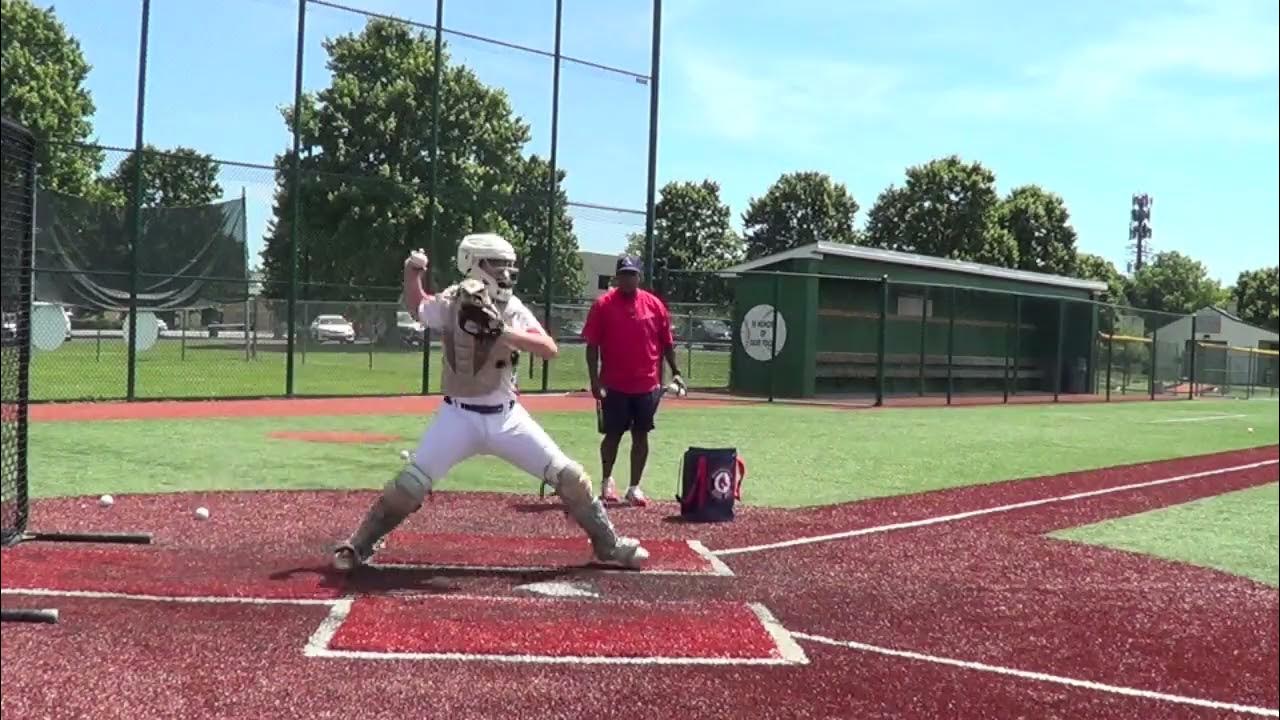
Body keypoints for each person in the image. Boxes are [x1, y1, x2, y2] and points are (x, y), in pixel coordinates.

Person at [331, 234, 649, 571]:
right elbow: (418, 307)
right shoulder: (453, 300)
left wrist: (502, 332)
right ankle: (359, 545)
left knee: (571, 477)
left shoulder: (512, 307)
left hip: (506, 418)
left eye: (508, 265)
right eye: (496, 264)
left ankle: (609, 545)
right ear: (473, 263)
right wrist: (413, 271)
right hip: (458, 416)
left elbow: (548, 349)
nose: (505, 272)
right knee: (408, 486)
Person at [580, 255, 685, 507]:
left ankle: (634, 487)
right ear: (617, 277)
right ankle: (606, 481)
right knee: (613, 435)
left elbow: (667, 343)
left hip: (647, 384)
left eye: (632, 274)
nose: (628, 278)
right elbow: (592, 346)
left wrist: (676, 371)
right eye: (623, 274)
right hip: (614, 384)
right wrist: (594, 380)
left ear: (639, 276)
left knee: (641, 435)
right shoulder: (603, 305)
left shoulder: (654, 305)